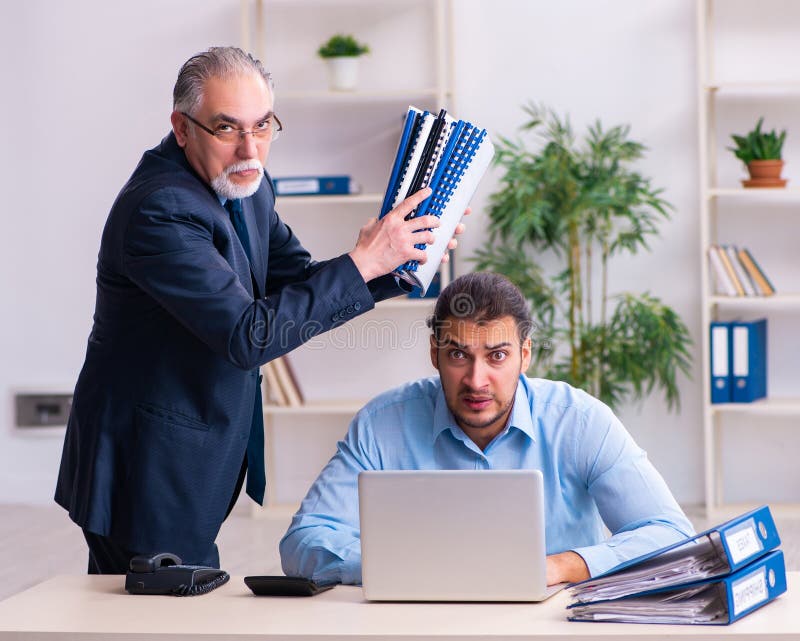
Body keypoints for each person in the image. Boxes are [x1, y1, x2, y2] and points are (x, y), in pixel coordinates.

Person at [55, 46, 465, 574]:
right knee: (152, 620)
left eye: (263, 125)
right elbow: (249, 335)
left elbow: (296, 280)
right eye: (228, 129)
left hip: (189, 453)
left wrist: (398, 257)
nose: (251, 149)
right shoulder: (160, 211)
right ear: (182, 128)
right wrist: (363, 263)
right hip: (144, 467)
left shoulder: (248, 186)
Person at [279, 272, 695, 586]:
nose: (477, 380)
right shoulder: (382, 423)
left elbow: (670, 533)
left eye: (497, 356)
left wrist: (559, 566)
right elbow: (305, 542)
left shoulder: (581, 421)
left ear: (525, 355)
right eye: (459, 355)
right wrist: (415, 567)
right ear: (434, 353)